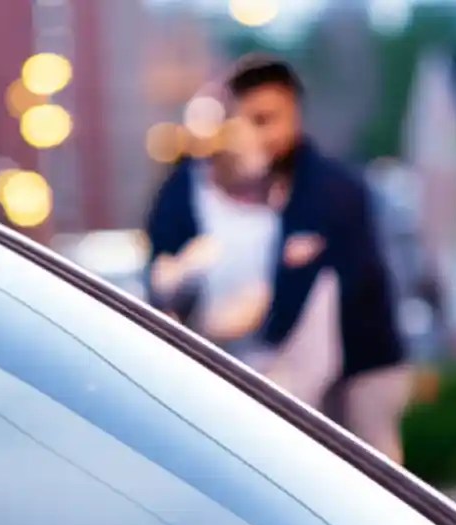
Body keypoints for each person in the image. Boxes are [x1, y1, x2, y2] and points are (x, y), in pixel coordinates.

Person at [144, 54, 412, 464]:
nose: (257, 135)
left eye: (267, 120)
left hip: (356, 355)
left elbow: (331, 286)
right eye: (246, 121)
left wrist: (261, 332)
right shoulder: (186, 187)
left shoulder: (329, 190)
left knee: (371, 459)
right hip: (252, 360)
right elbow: (163, 266)